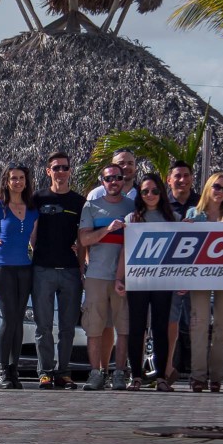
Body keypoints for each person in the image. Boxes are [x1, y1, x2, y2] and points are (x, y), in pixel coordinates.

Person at [113, 173, 178, 391]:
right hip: (138, 280)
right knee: (137, 328)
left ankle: (161, 377)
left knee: (160, 328)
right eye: (145, 191)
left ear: (162, 192)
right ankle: (137, 376)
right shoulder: (132, 219)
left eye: (155, 191)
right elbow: (125, 251)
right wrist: (118, 278)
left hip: (163, 282)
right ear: (140, 195)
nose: (150, 195)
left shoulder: (173, 218)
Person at [31, 152, 86, 390]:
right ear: (48, 171)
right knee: (43, 325)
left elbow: (84, 238)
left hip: (71, 272)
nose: (61, 172)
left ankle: (64, 372)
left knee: (67, 327)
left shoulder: (79, 202)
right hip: (42, 269)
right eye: (56, 168)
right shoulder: (37, 198)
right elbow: (29, 231)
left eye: (65, 168)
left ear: (70, 171)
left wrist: (82, 267)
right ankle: (45, 372)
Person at [0, 163, 39, 390]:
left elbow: (35, 243)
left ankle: (15, 370)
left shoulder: (33, 209)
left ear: (26, 181)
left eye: (21, 178)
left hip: (24, 268)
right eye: (13, 178)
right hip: (2, 267)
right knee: (9, 318)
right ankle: (2, 369)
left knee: (19, 320)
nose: (18, 182)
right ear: (7, 181)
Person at [79, 163, 135, 390]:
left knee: (123, 327)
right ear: (102, 182)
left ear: (124, 180)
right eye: (109, 178)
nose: (114, 182)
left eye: (118, 177)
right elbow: (84, 240)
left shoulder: (133, 206)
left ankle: (119, 373)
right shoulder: (91, 207)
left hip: (125, 277)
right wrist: (108, 230)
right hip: (97, 275)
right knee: (94, 326)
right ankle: (95, 373)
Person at [186, 172, 223, 392]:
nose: (220, 192)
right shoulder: (194, 213)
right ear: (208, 187)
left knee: (221, 326)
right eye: (217, 187)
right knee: (199, 324)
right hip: (199, 275)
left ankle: (217, 377)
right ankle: (198, 376)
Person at [161, 160, 201, 389]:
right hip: (170, 276)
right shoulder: (164, 206)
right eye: (177, 176)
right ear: (169, 179)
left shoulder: (202, 205)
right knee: (170, 325)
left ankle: (198, 374)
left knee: (198, 324)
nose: (182, 180)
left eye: (186, 175)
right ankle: (167, 369)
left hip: (198, 276)